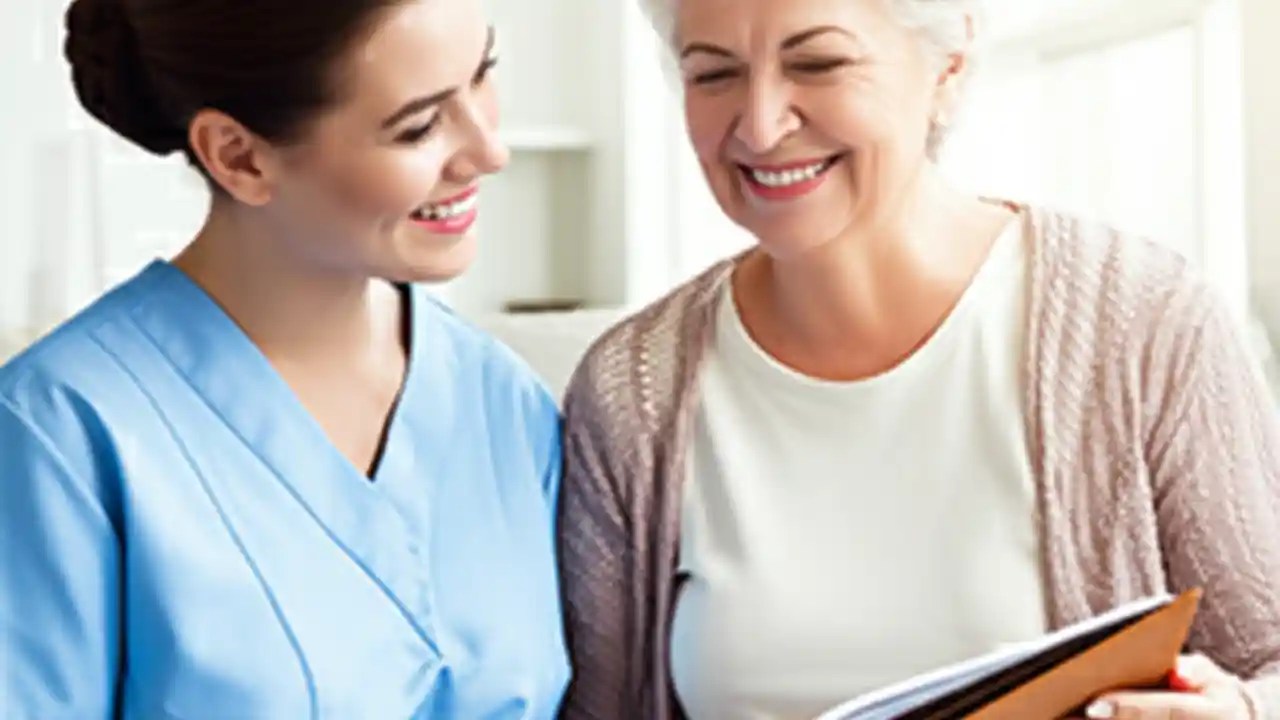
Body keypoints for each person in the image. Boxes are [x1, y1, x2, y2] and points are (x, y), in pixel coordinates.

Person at [555, 0, 1280, 718]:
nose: (761, 123)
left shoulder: (1145, 325)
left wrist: (1242, 710)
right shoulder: (630, 393)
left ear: (948, 70)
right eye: (714, 75)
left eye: (819, 63)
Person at [0, 0, 569, 717]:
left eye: (482, 75)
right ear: (239, 156)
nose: (490, 152)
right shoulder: (61, 432)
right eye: (419, 126)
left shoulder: (505, 402)